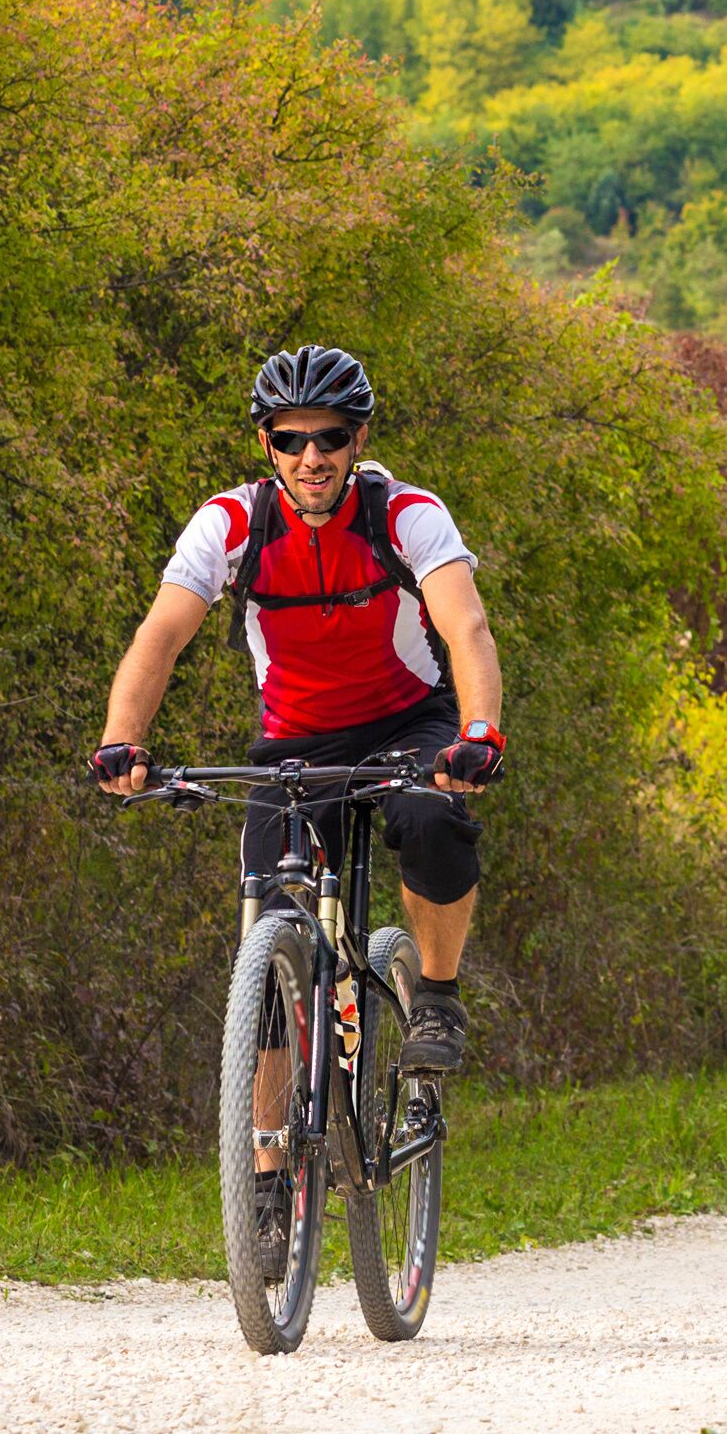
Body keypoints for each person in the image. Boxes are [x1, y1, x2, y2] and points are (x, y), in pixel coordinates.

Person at [92, 344, 504, 1084]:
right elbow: (161, 634)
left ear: (358, 439)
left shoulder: (406, 514)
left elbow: (465, 626)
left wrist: (478, 733)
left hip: (407, 722)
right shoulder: (231, 523)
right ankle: (265, 1155)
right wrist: (122, 739)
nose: (311, 457)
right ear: (267, 444)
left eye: (330, 437)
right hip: (296, 744)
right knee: (270, 936)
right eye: (291, 438)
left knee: (431, 818)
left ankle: (437, 998)